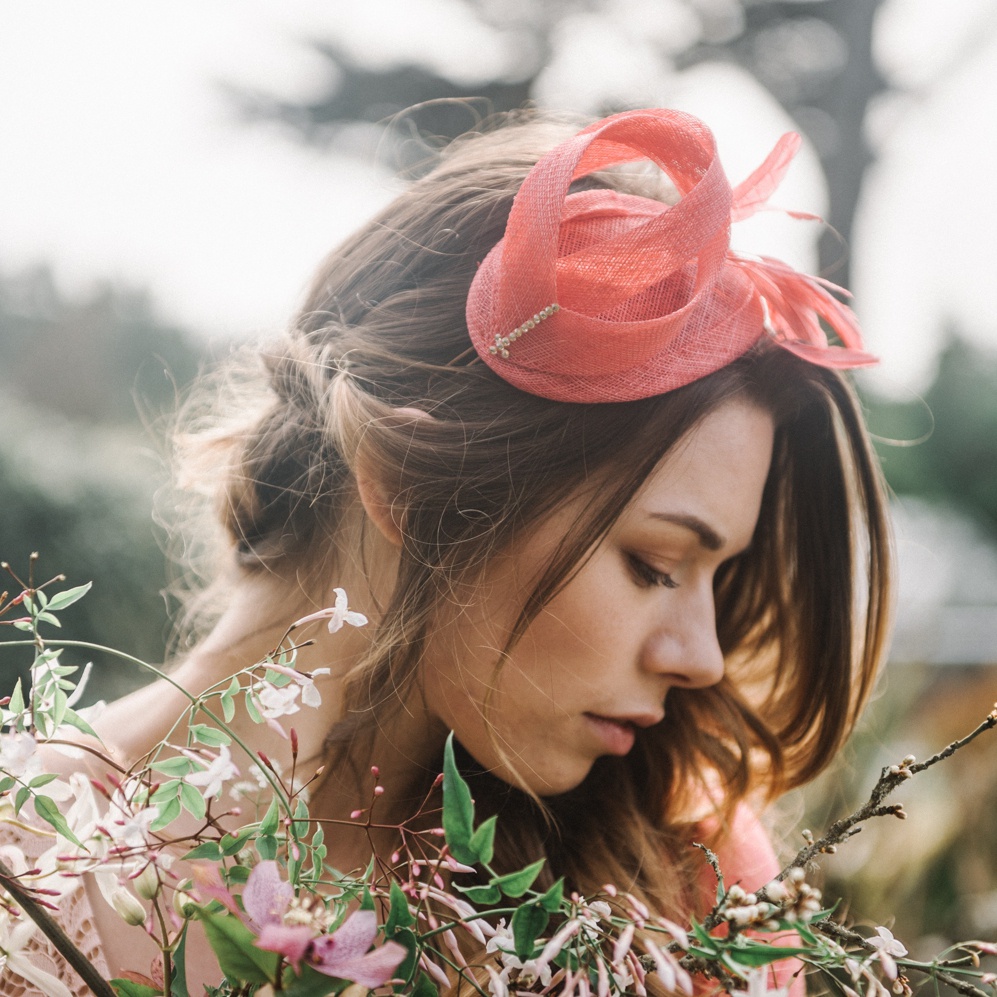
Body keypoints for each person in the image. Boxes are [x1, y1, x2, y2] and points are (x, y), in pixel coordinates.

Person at [7, 107, 892, 995]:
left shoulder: (673, 892)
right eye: (654, 564)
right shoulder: (26, 880)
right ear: (405, 488)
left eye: (718, 576)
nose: (701, 656)